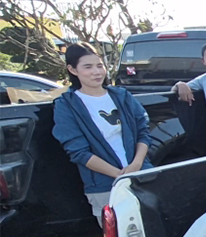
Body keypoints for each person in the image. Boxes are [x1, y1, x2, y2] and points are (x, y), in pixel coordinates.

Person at [53, 43, 153, 226]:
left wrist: (137, 164)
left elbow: (143, 131)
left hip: (141, 176)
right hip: (104, 186)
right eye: (88, 67)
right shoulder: (66, 105)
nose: (97, 72)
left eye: (99, 66)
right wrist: (119, 175)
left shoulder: (121, 95)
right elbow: (78, 152)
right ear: (72, 70)